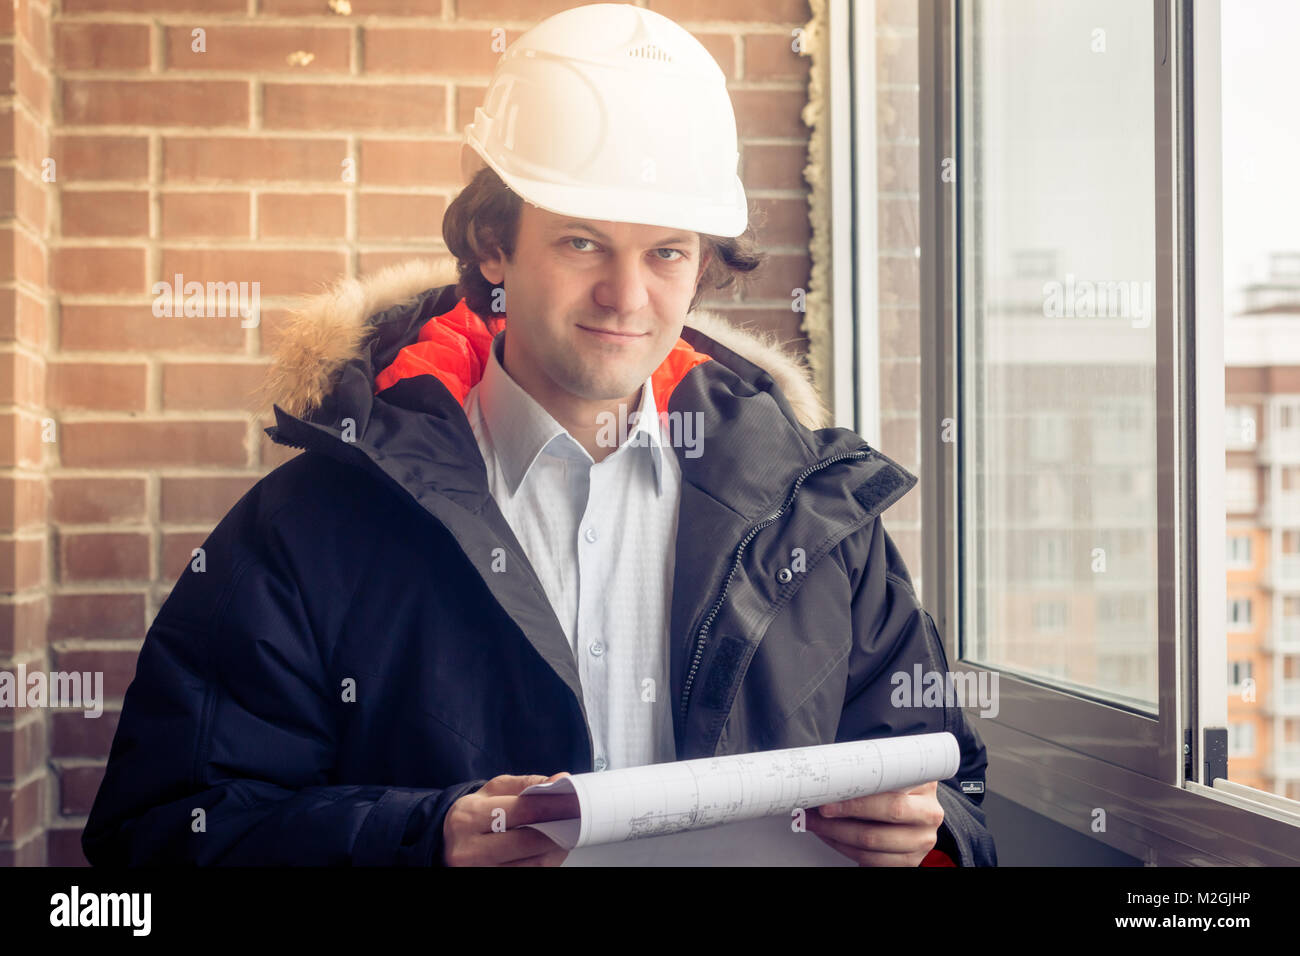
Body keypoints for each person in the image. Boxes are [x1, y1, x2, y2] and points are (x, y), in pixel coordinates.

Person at [82, 2, 996, 867]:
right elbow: (161, 835)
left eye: (667, 251)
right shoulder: (308, 528)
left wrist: (931, 835)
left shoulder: (819, 519)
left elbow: (958, 789)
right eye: (582, 243)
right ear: (493, 245)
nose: (627, 298)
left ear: (704, 263)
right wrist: (423, 837)